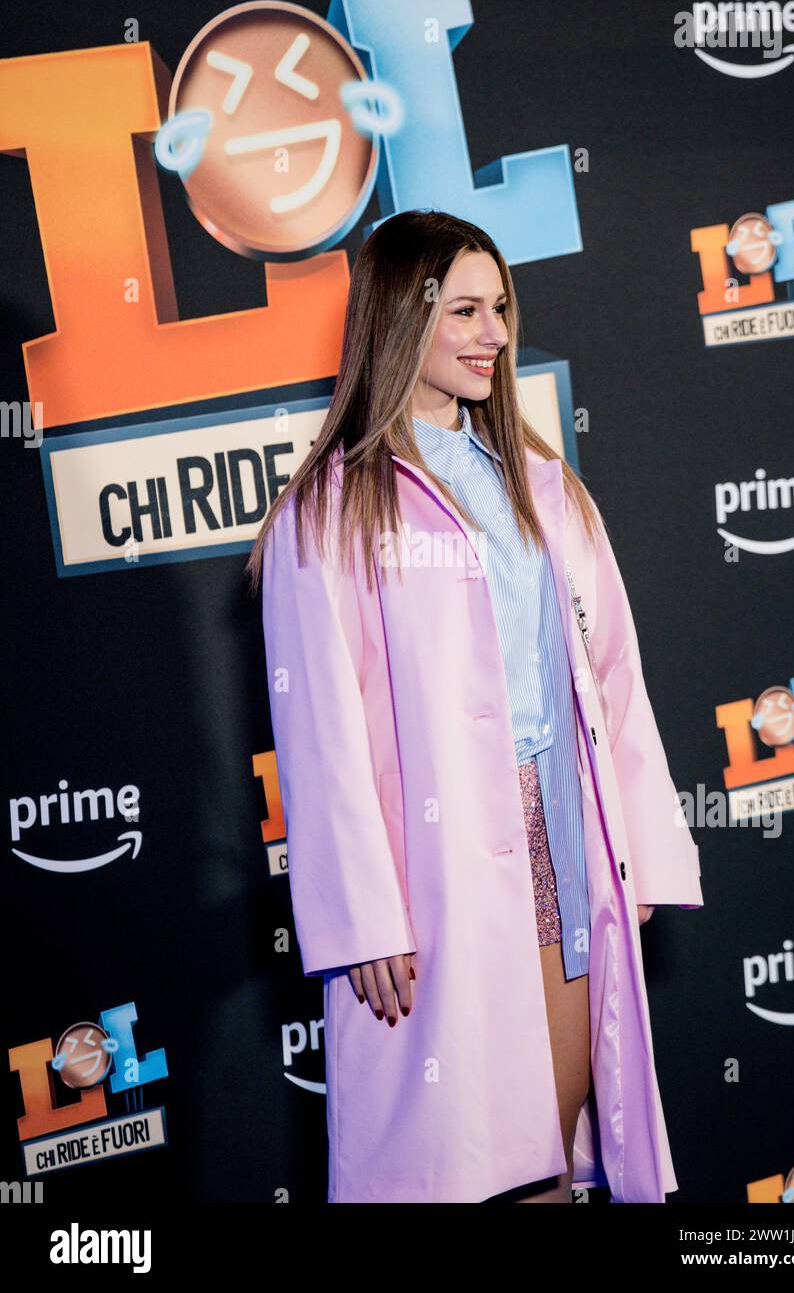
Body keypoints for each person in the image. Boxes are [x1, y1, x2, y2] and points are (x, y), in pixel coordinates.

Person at [246, 209, 703, 1204]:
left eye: (497, 308)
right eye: (462, 310)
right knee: (460, 1165)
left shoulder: (545, 486)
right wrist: (360, 918)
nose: (493, 332)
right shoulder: (326, 512)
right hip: (429, 870)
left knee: (557, 1137)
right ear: (398, 323)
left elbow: (613, 682)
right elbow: (319, 738)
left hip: (564, 841)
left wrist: (643, 853)